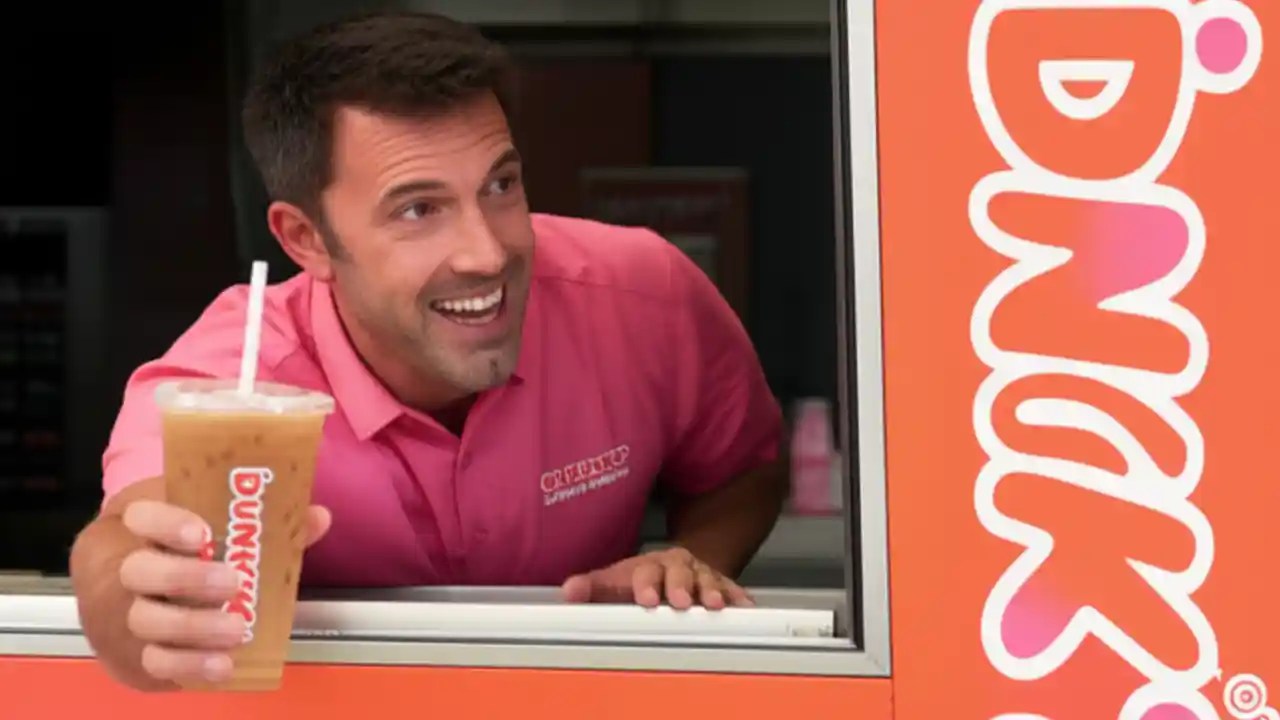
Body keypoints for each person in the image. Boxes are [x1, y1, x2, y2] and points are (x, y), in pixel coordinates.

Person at [68, 9, 786, 691]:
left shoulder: (644, 297)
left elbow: (743, 472)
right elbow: (126, 541)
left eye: (501, 185)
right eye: (419, 209)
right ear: (305, 239)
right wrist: (137, 612)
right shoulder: (235, 373)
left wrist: (690, 565)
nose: (487, 251)